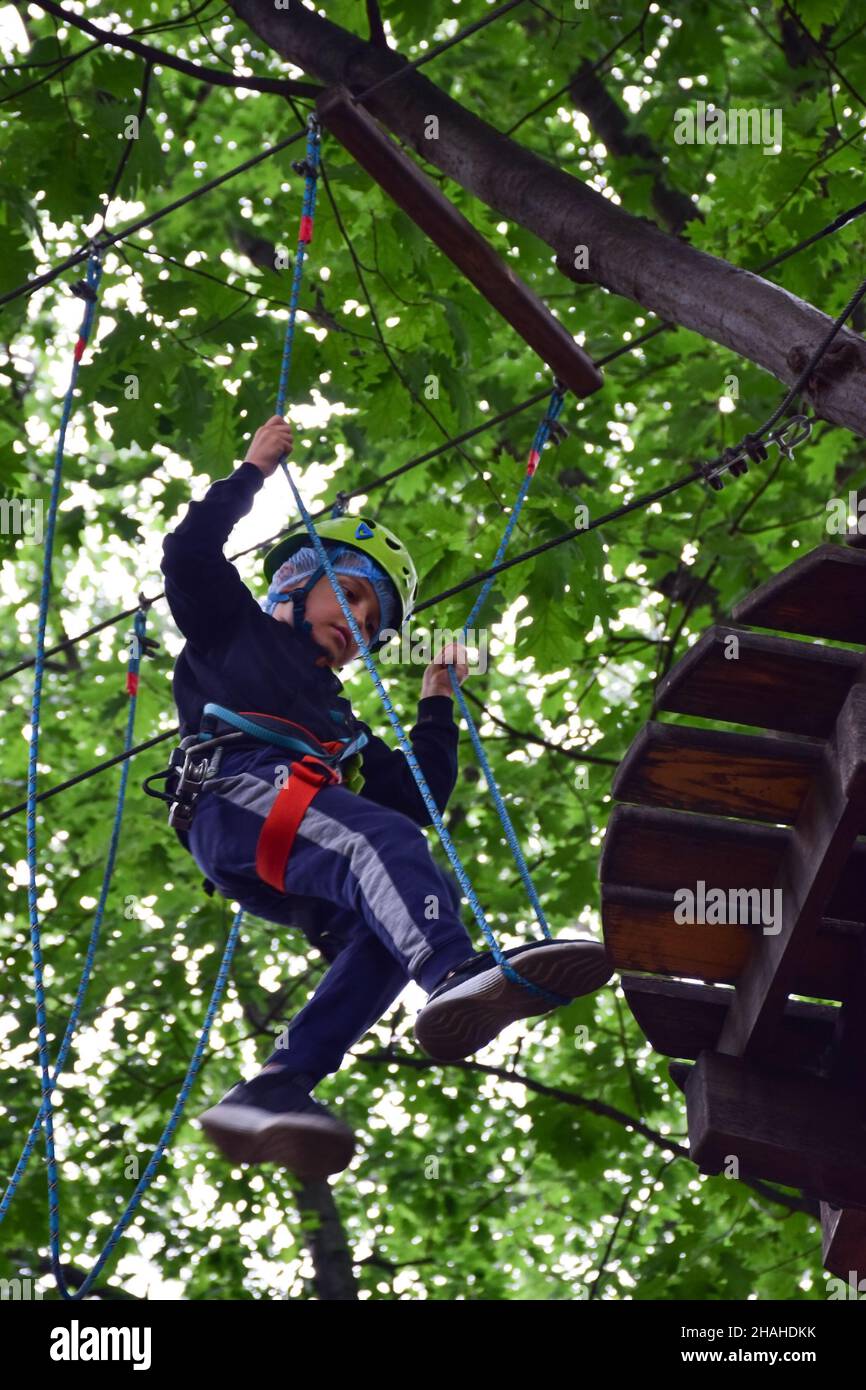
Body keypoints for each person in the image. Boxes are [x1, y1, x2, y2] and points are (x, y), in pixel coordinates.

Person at [159, 415, 614, 1179]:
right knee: (383, 848)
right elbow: (188, 554)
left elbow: (418, 799)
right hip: (236, 795)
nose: (359, 626)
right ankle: (452, 973)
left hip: (279, 841)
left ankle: (277, 1086)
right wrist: (251, 474)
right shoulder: (232, 628)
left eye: (372, 625)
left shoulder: (339, 725)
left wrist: (437, 702)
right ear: (298, 579)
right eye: (350, 598)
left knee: (388, 924)